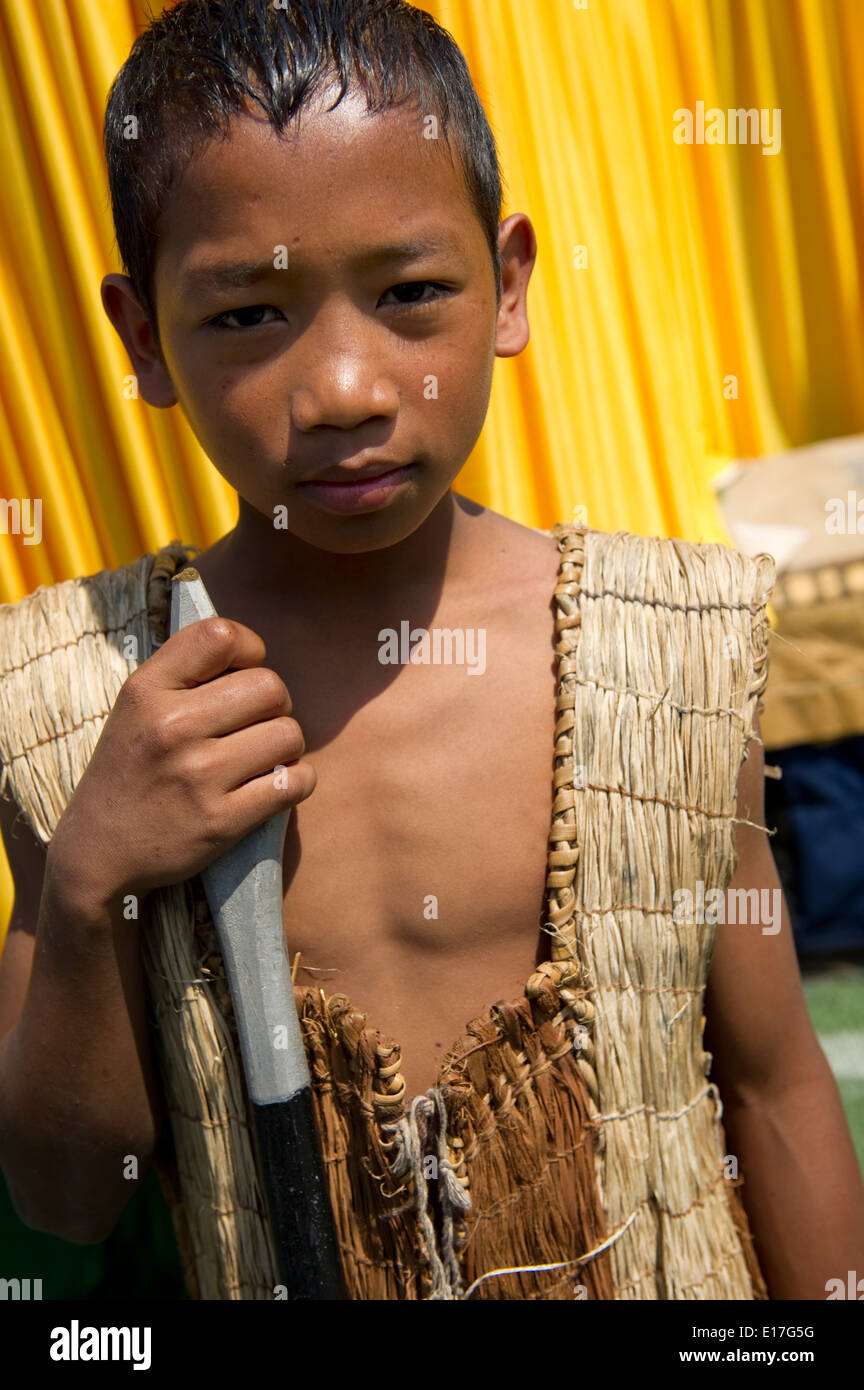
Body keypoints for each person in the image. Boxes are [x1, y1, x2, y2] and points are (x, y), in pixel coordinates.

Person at [0, 0, 862, 1300]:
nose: (344, 384)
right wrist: (86, 886)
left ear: (509, 286)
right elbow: (70, 1196)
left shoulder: (667, 649)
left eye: (410, 293)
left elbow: (772, 1076)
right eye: (247, 314)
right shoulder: (75, 701)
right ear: (141, 339)